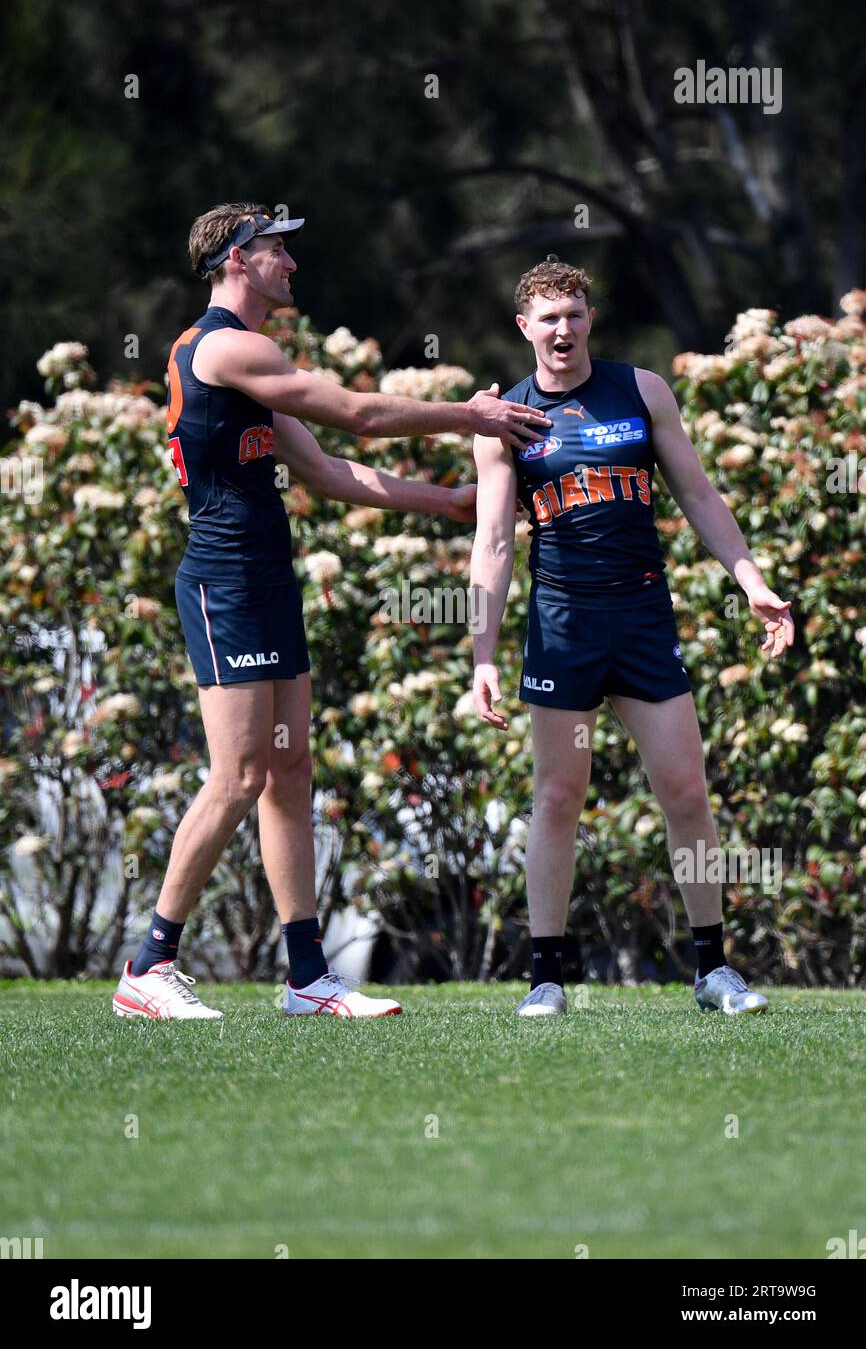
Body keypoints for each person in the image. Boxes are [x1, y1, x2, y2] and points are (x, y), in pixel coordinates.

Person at [112, 201, 548, 1021]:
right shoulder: (230, 347)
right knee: (239, 776)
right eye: (278, 249)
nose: (292, 263)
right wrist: (473, 415)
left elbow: (331, 473)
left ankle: (308, 977)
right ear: (237, 260)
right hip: (225, 584)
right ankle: (149, 966)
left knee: (287, 775)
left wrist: (448, 502)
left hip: (266, 579)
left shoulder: (242, 361)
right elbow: (360, 414)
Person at [469, 256, 795, 1017]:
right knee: (557, 796)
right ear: (525, 328)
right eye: (548, 317)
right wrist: (481, 657)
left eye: (575, 314)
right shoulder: (506, 418)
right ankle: (546, 978)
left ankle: (714, 971)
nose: (563, 329)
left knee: (685, 790)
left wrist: (752, 581)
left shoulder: (641, 390)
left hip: (643, 618)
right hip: (562, 623)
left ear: (590, 320)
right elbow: (491, 542)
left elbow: (698, 494)